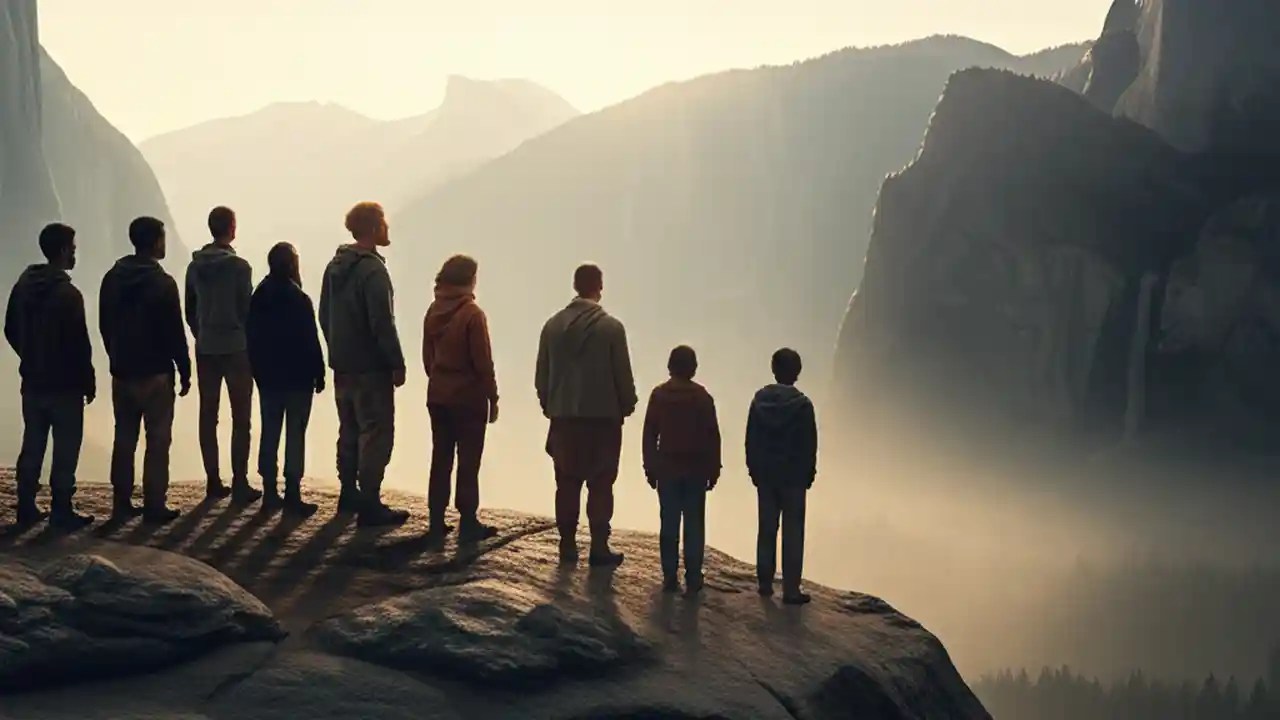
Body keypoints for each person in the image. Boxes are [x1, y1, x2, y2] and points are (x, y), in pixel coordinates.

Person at [535, 263, 636, 566]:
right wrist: (627, 405)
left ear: (575, 285)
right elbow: (623, 377)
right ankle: (599, 547)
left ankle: (567, 546)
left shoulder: (552, 326)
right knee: (601, 484)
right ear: (598, 287)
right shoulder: (612, 328)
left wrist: (550, 405)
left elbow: (542, 377)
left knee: (566, 483)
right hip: (603, 420)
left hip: (564, 419)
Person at [318, 201, 409, 527]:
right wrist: (395, 363)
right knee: (376, 432)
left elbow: (323, 315)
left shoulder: (334, 267)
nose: (387, 228)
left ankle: (348, 493)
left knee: (349, 428)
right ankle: (369, 501)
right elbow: (382, 323)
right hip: (371, 369)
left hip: (343, 367)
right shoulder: (373, 271)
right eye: (384, 223)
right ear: (373, 228)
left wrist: (338, 350)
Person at [4, 223, 96, 529]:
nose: (75, 253)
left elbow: (9, 329)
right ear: (61, 251)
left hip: (32, 381)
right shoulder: (69, 295)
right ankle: (61, 510)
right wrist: (88, 380)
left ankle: (26, 506)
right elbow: (79, 345)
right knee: (66, 448)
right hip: (65, 385)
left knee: (32, 443)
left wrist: (30, 356)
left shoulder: (24, 286)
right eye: (72, 248)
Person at [99, 216, 190, 524]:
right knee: (158, 440)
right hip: (156, 373)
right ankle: (154, 504)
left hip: (123, 371)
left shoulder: (113, 277)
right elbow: (175, 331)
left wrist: (115, 354)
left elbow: (104, 323)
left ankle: (121, 503)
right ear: (154, 242)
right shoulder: (163, 283)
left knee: (124, 438)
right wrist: (185, 367)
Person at [422, 255, 500, 542]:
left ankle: (435, 520)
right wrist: (493, 396)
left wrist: (441, 379)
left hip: (439, 395)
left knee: (440, 457)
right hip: (468, 399)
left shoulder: (433, 310)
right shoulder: (472, 314)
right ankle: (467, 521)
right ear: (469, 279)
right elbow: (483, 362)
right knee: (468, 461)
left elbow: (427, 359)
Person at [185, 206, 259, 503]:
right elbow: (247, 310)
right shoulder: (240, 267)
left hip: (206, 346)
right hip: (237, 346)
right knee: (241, 417)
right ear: (232, 227)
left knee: (208, 414)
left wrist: (201, 332)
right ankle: (240, 481)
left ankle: (213, 480)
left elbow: (189, 308)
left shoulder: (194, 267)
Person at [247, 242, 324, 517]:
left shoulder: (259, 296)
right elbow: (310, 339)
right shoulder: (299, 298)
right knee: (295, 435)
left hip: (269, 378)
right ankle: (292, 492)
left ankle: (269, 490)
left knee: (270, 431)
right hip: (298, 378)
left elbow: (252, 338)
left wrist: (257, 371)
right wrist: (320, 372)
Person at [642, 345, 721, 593]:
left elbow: (649, 435)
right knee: (694, 523)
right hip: (696, 469)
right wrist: (714, 468)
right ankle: (694, 575)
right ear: (693, 368)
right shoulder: (702, 397)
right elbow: (712, 436)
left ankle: (669, 574)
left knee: (669, 521)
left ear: (669, 366)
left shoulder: (659, 395)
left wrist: (650, 466)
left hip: (666, 467)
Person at [746, 348, 818, 605]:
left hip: (766, 474)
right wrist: (808, 473)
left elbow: (750, 439)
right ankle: (790, 589)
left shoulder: (759, 401)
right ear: (797, 372)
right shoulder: (803, 405)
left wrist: (753, 469)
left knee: (766, 528)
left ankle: (764, 583)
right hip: (793, 477)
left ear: (773, 369)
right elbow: (809, 445)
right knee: (793, 531)